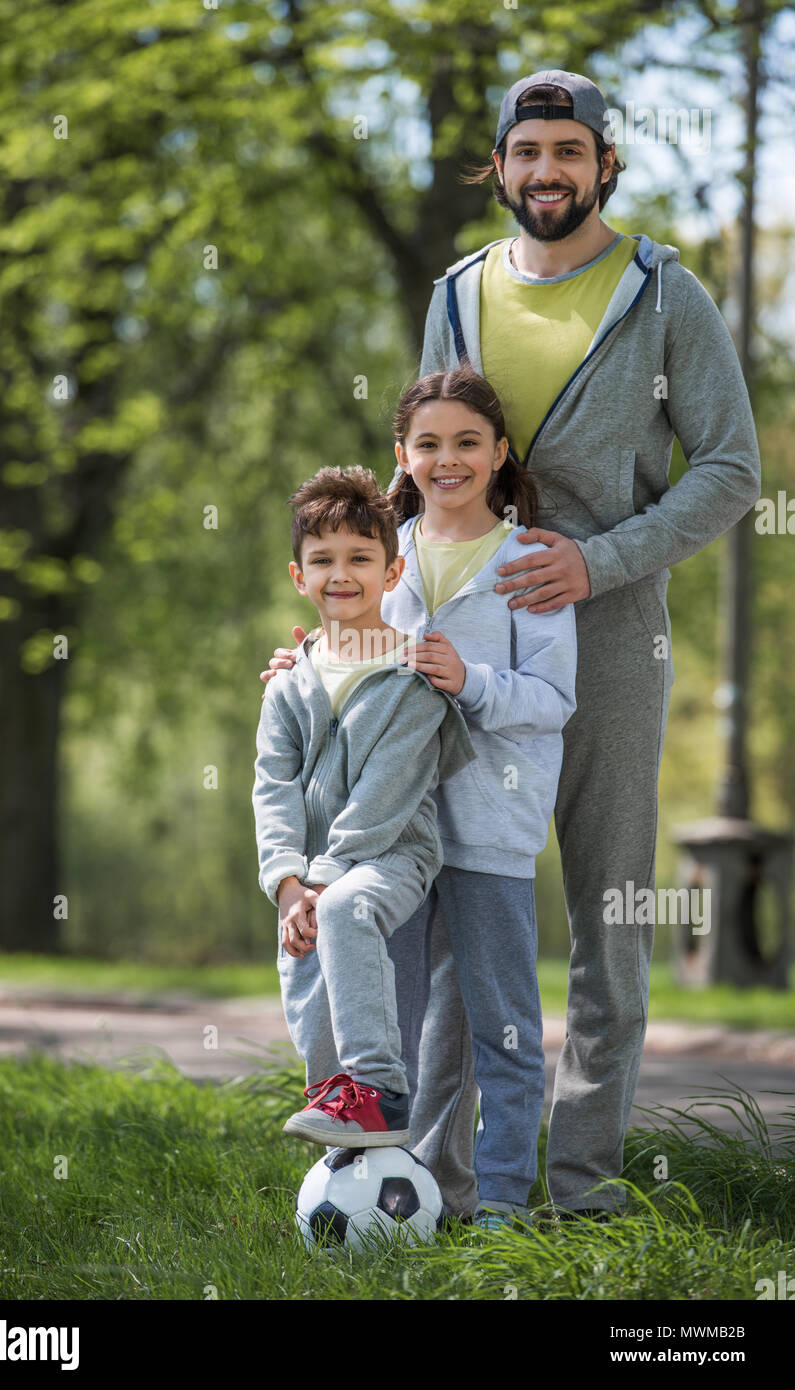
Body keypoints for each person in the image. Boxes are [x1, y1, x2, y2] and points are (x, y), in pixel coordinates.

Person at [383, 68, 763, 1220]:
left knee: (608, 915)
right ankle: (442, 1186)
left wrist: (598, 560)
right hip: (459, 639)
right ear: (498, 167)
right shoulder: (457, 291)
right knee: (456, 908)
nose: (546, 172)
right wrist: (358, 622)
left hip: (610, 639)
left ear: (604, 164)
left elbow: (734, 471)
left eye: (569, 152)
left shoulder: (665, 296)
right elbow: (425, 457)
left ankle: (585, 1187)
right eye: (526, 152)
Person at [261, 366, 577, 1228]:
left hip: (488, 826)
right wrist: (302, 668)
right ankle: (391, 1191)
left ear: (498, 452)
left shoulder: (528, 561)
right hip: (391, 834)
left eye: (467, 442)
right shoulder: (382, 551)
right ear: (402, 454)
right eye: (428, 444)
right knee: (392, 1025)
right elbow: (353, 638)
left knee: (498, 1029)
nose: (448, 460)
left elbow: (554, 699)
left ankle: (503, 1203)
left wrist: (469, 679)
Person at [252, 464, 476, 1148]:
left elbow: (384, 795)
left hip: (389, 854)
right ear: (299, 578)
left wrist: (323, 882)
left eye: (359, 557)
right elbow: (273, 786)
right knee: (306, 968)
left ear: (392, 571)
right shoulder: (288, 686)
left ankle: (378, 1090)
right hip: (310, 873)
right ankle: (336, 1104)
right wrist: (288, 883)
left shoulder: (413, 679)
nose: (340, 573)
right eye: (321, 560)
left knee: (345, 909)